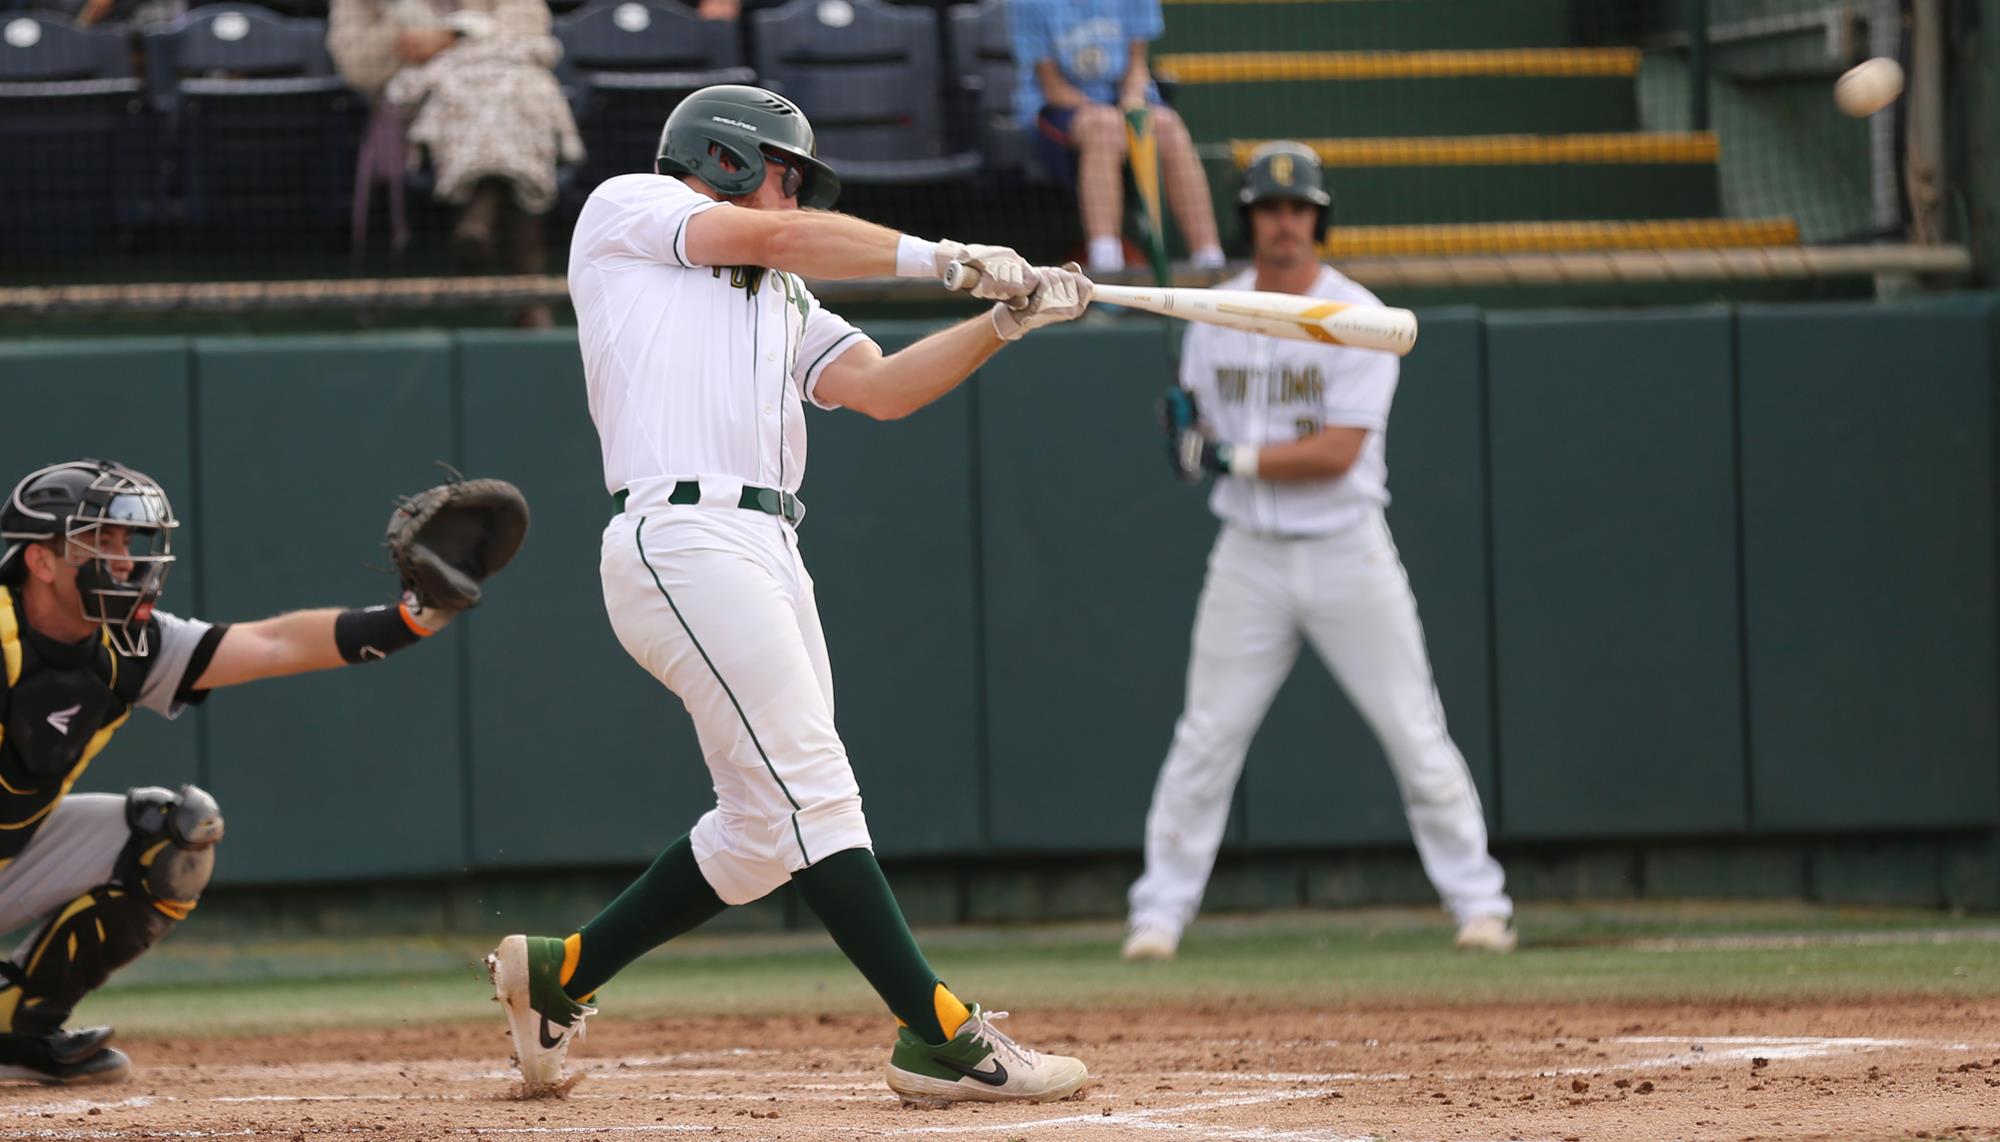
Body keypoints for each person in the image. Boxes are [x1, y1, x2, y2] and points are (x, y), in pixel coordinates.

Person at [484, 84, 1094, 1106]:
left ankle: (560, 973)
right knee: (816, 784)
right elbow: (783, 233)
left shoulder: (782, 296)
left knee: (767, 824)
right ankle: (937, 1031)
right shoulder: (630, 208)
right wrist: (940, 257)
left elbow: (885, 388)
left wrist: (1004, 319)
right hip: (681, 535)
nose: (792, 190)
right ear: (722, 158)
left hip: (768, 543)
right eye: (782, 168)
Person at [1124, 142, 1517, 962]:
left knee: (1413, 729)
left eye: (1298, 209)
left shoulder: (1357, 316)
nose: (1284, 224)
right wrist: (1186, 431)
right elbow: (1199, 430)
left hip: (1347, 549)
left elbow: (1337, 451)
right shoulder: (1215, 315)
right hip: (1249, 555)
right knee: (1206, 737)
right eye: (1269, 210)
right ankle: (1157, 917)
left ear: (1318, 220)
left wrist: (1225, 457)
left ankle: (1481, 905)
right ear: (1250, 221)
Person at [0, 459, 481, 1084]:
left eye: (126, 541)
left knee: (174, 836)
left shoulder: (127, 642)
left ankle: (16, 1028)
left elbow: (274, 643)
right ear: (41, 561)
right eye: (102, 541)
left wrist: (412, 617)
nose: (124, 558)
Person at [330, 0, 581, 328]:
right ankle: (528, 288)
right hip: (418, 100)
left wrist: (453, 33)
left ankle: (481, 212)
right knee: (496, 95)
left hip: (507, 82)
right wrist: (405, 34)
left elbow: (530, 23)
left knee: (516, 91)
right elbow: (355, 64)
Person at [1009, 0, 1224, 275]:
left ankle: (1210, 260)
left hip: (1121, 103)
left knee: (1167, 125)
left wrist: (1132, 101)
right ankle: (1106, 266)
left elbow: (1137, 64)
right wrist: (1107, 114)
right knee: (1105, 127)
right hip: (1059, 112)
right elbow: (1051, 85)